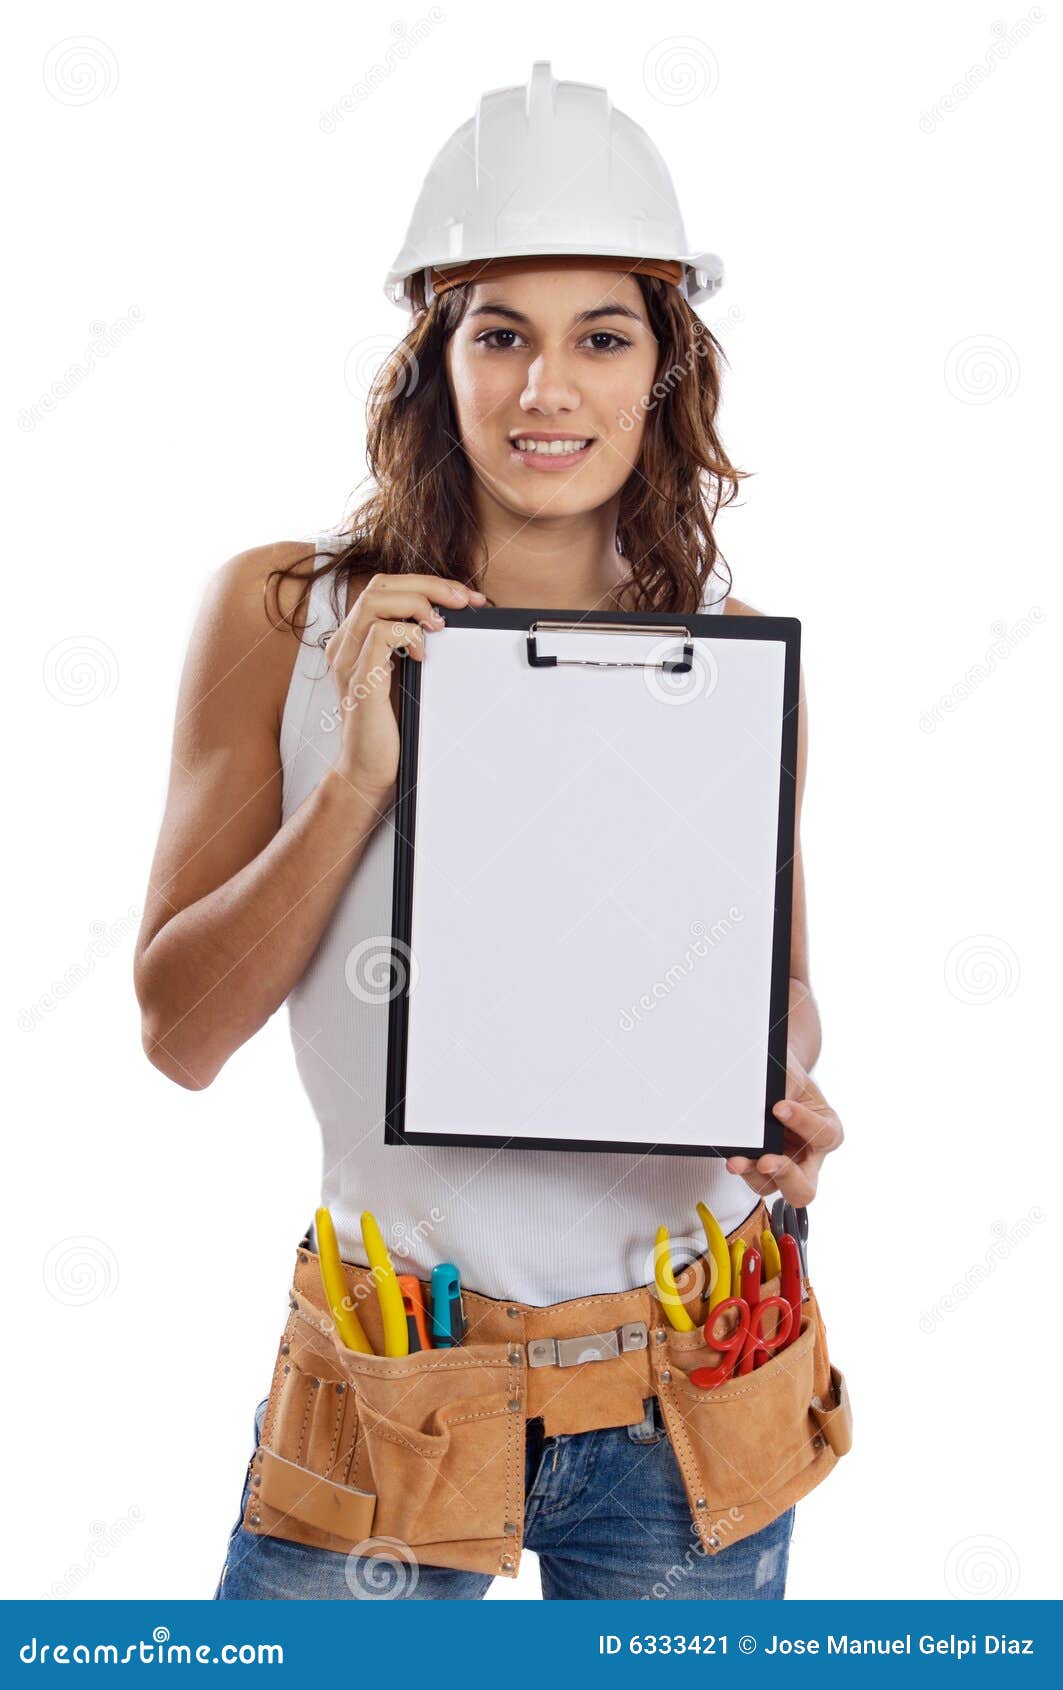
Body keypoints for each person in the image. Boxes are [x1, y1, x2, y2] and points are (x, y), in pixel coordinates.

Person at [134, 63, 844, 1601]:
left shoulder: (727, 661)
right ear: (431, 358)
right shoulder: (288, 615)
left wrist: (781, 1107)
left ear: (665, 368)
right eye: (499, 332)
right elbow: (179, 1034)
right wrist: (357, 782)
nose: (546, 389)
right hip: (396, 1389)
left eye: (603, 336)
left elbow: (775, 999)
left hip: (684, 1388)